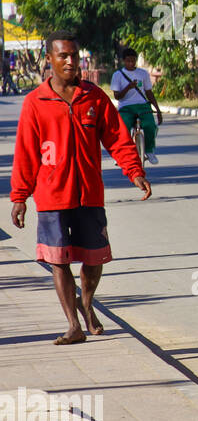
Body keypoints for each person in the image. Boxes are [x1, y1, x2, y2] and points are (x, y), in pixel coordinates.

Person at [9, 31, 152, 345]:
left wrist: (134, 172)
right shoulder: (36, 102)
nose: (70, 61)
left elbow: (117, 137)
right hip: (51, 195)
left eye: (74, 55)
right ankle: (73, 324)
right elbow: (26, 152)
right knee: (57, 260)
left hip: (89, 193)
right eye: (63, 56)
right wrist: (19, 196)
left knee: (94, 257)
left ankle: (86, 303)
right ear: (50, 59)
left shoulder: (94, 97)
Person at [111, 47, 163, 164]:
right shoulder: (117, 75)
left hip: (142, 106)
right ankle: (123, 154)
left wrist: (157, 110)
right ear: (124, 61)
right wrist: (128, 87)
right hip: (126, 107)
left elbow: (149, 92)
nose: (131, 63)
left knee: (150, 125)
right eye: (128, 61)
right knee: (123, 128)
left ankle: (149, 150)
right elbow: (117, 96)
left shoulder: (143, 74)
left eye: (133, 60)